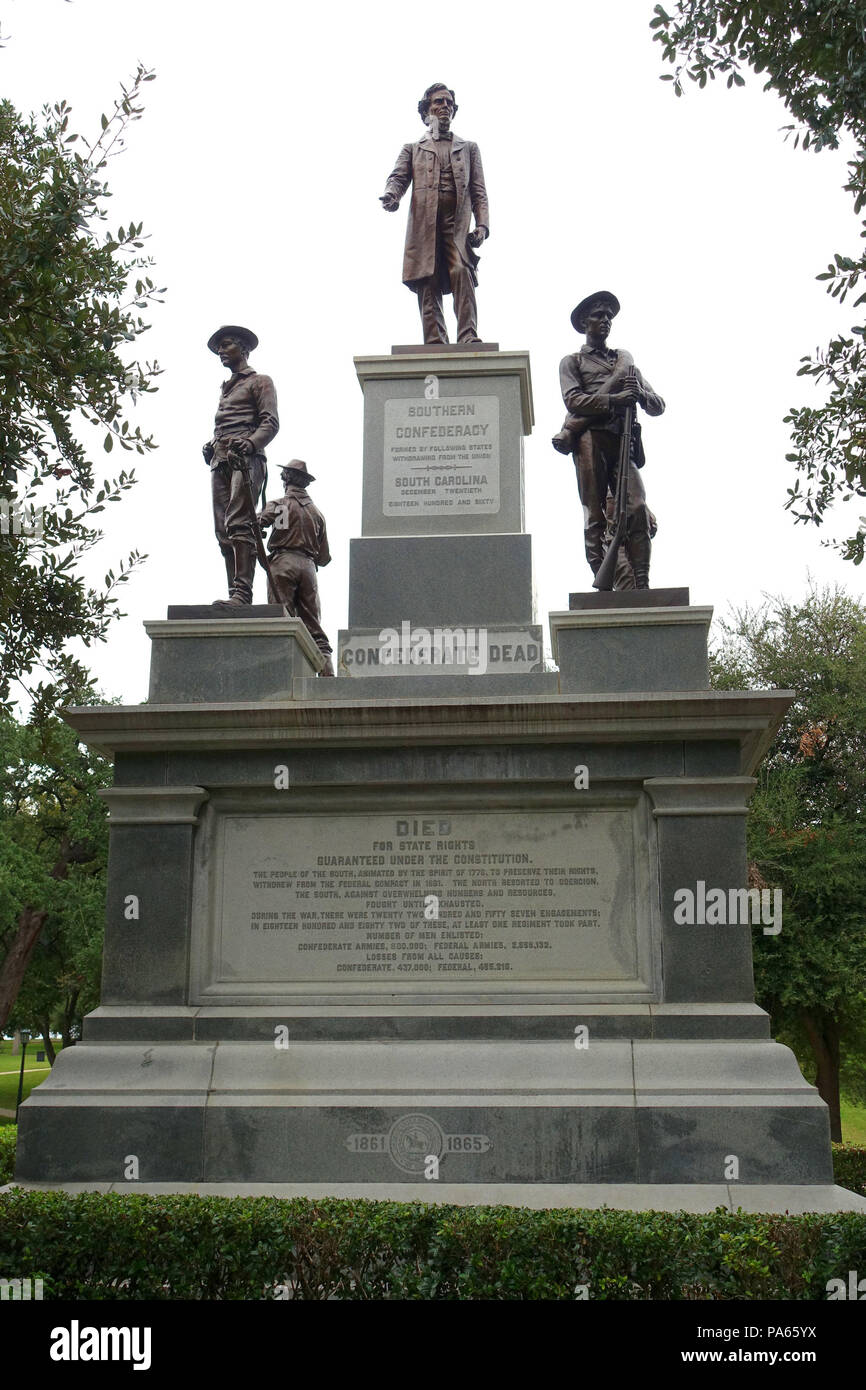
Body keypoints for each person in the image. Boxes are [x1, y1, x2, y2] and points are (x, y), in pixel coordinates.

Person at [552, 292, 664, 589]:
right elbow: (574, 400)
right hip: (590, 441)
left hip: (622, 441)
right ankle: (603, 582)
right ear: (584, 322)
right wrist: (616, 398)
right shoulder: (572, 361)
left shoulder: (626, 364)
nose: (605, 321)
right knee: (595, 514)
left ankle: (642, 585)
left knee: (637, 507)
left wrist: (640, 394)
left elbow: (658, 405)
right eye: (598, 315)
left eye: (608, 317)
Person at [380, 83, 489, 345]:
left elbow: (479, 190)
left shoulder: (469, 148)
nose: (445, 107)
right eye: (438, 103)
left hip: (457, 225)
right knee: (427, 279)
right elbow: (398, 177)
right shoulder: (412, 148)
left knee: (461, 271)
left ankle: (467, 335)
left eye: (449, 103)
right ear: (427, 110)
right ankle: (434, 341)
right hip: (424, 225)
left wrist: (483, 225)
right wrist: (391, 195)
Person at [203, 325, 279, 606]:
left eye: (226, 345)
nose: (221, 351)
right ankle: (233, 593)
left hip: (245, 459)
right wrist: (212, 444)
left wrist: (251, 444)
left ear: (243, 348)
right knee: (222, 531)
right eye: (219, 348)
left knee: (239, 523)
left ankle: (242, 594)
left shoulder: (261, 381)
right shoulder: (226, 388)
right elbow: (224, 423)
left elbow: (270, 422)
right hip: (220, 459)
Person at [258, 460, 334, 676]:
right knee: (313, 624)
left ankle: (282, 676)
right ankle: (327, 674)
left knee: (282, 619)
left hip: (282, 564)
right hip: (308, 569)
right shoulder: (317, 514)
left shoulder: (278, 504)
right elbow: (324, 557)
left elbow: (258, 522)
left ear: (286, 480)